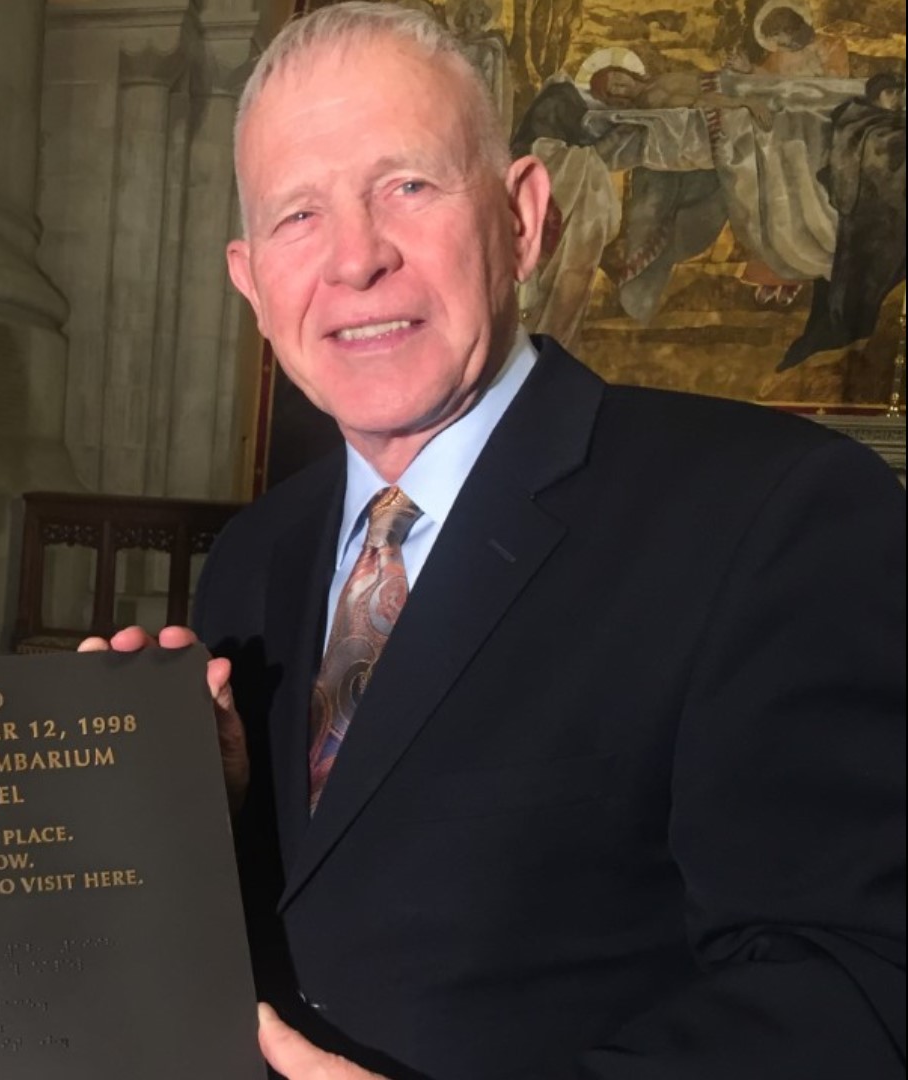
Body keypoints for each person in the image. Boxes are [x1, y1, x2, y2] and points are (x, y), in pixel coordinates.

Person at [88, 5, 904, 1077]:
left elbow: (856, 984)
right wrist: (205, 805)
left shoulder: (776, 510)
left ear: (523, 217)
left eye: (407, 186)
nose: (356, 259)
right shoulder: (256, 552)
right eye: (299, 215)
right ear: (251, 284)